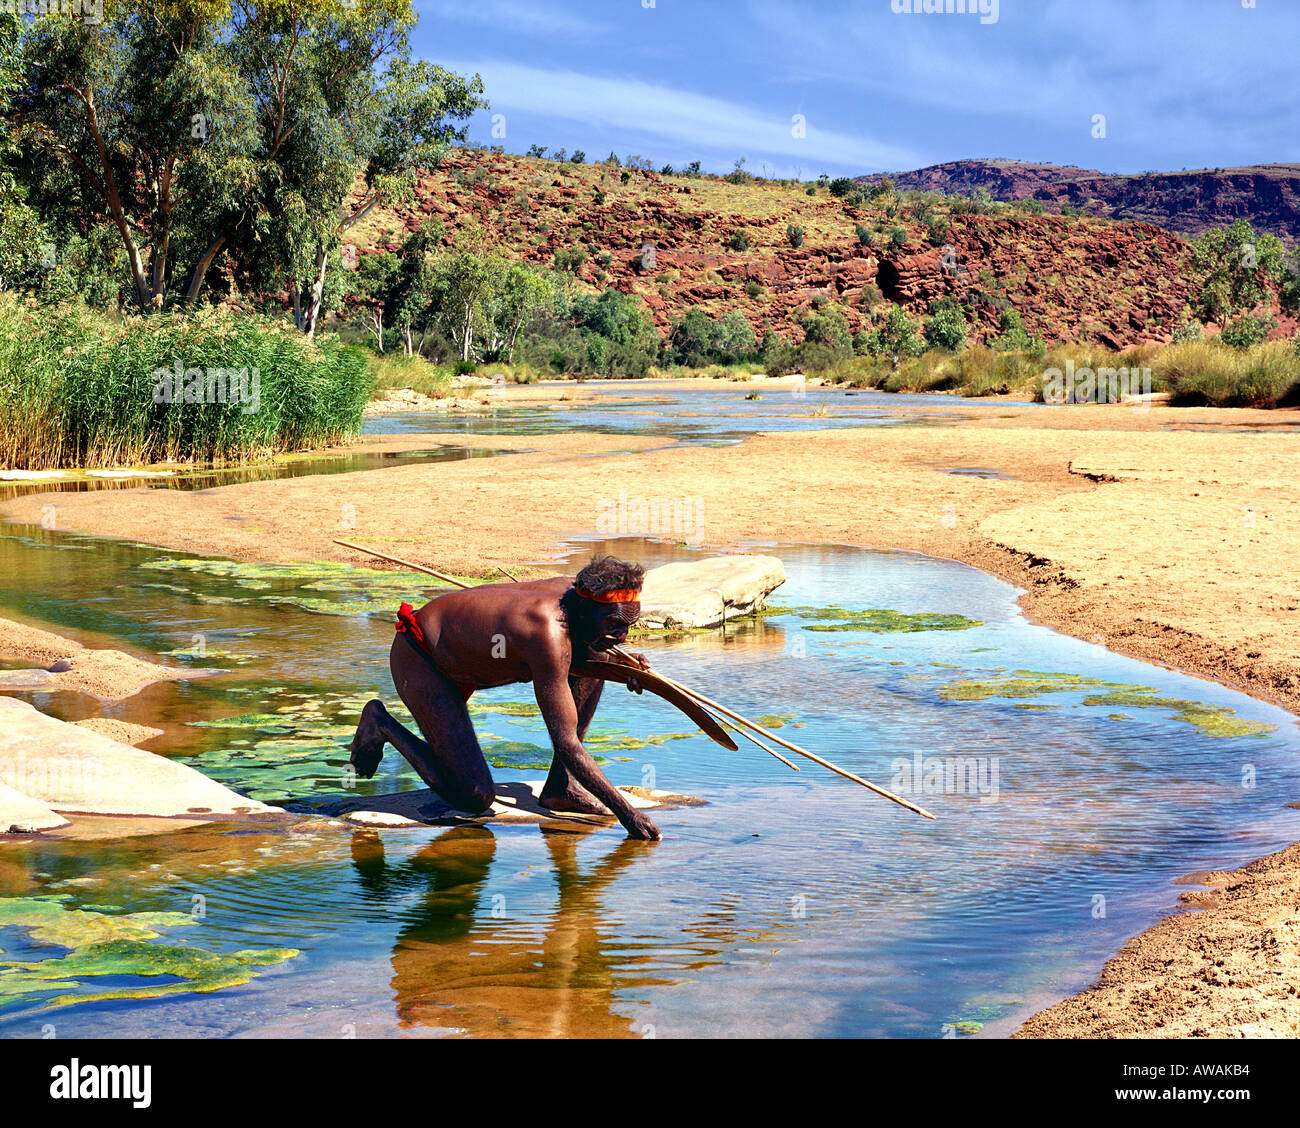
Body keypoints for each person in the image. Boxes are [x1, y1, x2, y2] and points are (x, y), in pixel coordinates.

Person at [349, 554, 661, 840]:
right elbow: (567, 744)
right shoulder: (547, 631)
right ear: (587, 607)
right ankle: (381, 723)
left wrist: (621, 661)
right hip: (425, 659)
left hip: (476, 658)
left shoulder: (578, 594)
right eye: (614, 624)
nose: (622, 636)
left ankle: (561, 788)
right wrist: (627, 814)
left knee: (599, 659)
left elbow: (585, 649)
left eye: (627, 627)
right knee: (474, 796)